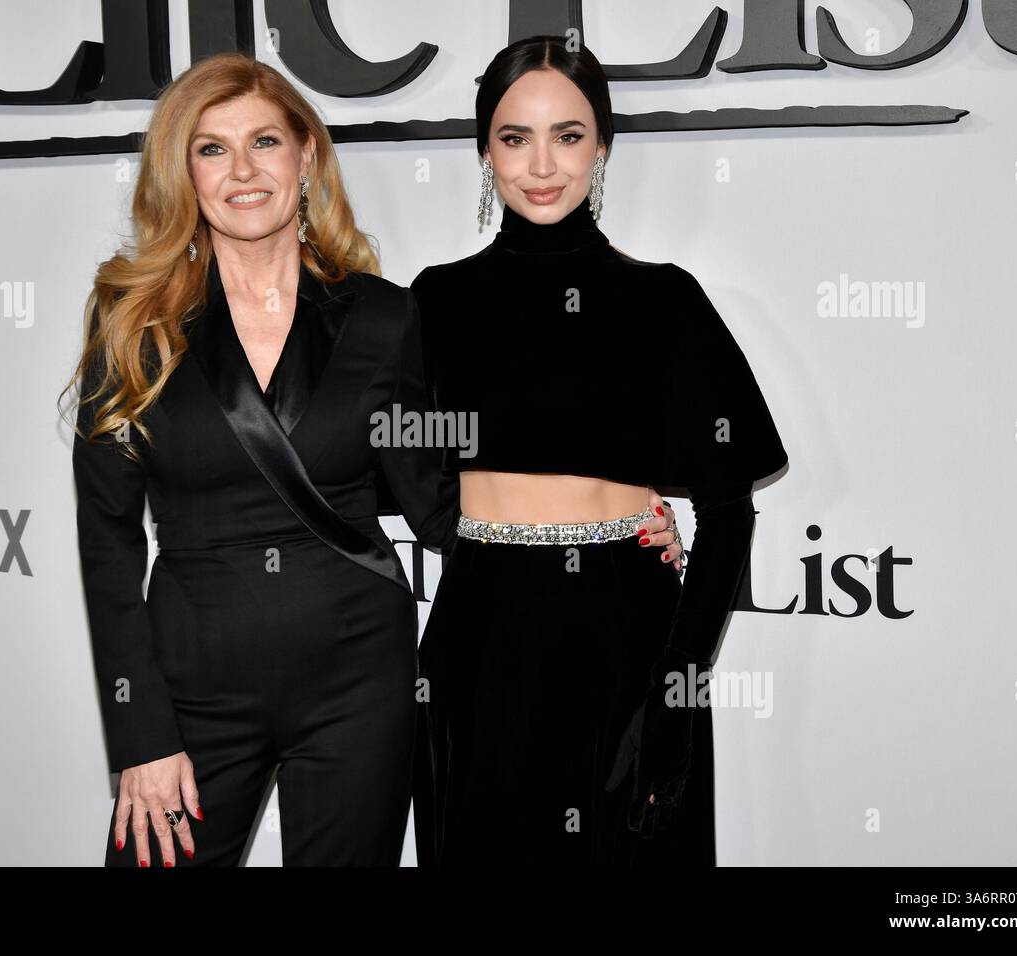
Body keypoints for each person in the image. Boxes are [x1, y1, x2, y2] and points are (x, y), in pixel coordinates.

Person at [65, 51, 683, 867]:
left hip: (361, 686)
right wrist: (140, 735)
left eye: (265, 143)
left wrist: (610, 514)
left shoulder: (383, 317)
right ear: (183, 173)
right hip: (192, 691)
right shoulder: (132, 319)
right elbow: (107, 543)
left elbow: (437, 505)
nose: (243, 171)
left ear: (306, 157)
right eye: (211, 149)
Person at [411, 36, 789, 866]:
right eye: (515, 138)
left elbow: (727, 513)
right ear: (484, 151)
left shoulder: (664, 300)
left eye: (569, 135)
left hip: (625, 636)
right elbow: (378, 462)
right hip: (481, 638)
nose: (542, 163)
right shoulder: (437, 302)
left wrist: (675, 694)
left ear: (604, 147)